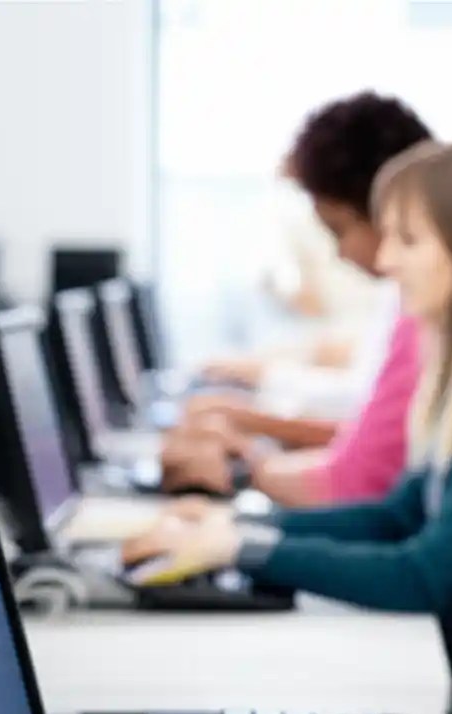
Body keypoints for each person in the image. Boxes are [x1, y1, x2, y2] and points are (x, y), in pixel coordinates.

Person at [123, 137, 452, 714]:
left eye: (408, 240)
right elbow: (397, 516)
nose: (385, 261)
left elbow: (425, 574)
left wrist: (240, 547)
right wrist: (235, 524)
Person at [162, 92, 431, 507]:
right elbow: (371, 430)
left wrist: (244, 461)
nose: (340, 253)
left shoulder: (426, 310)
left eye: (340, 230)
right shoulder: (408, 301)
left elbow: (365, 467)